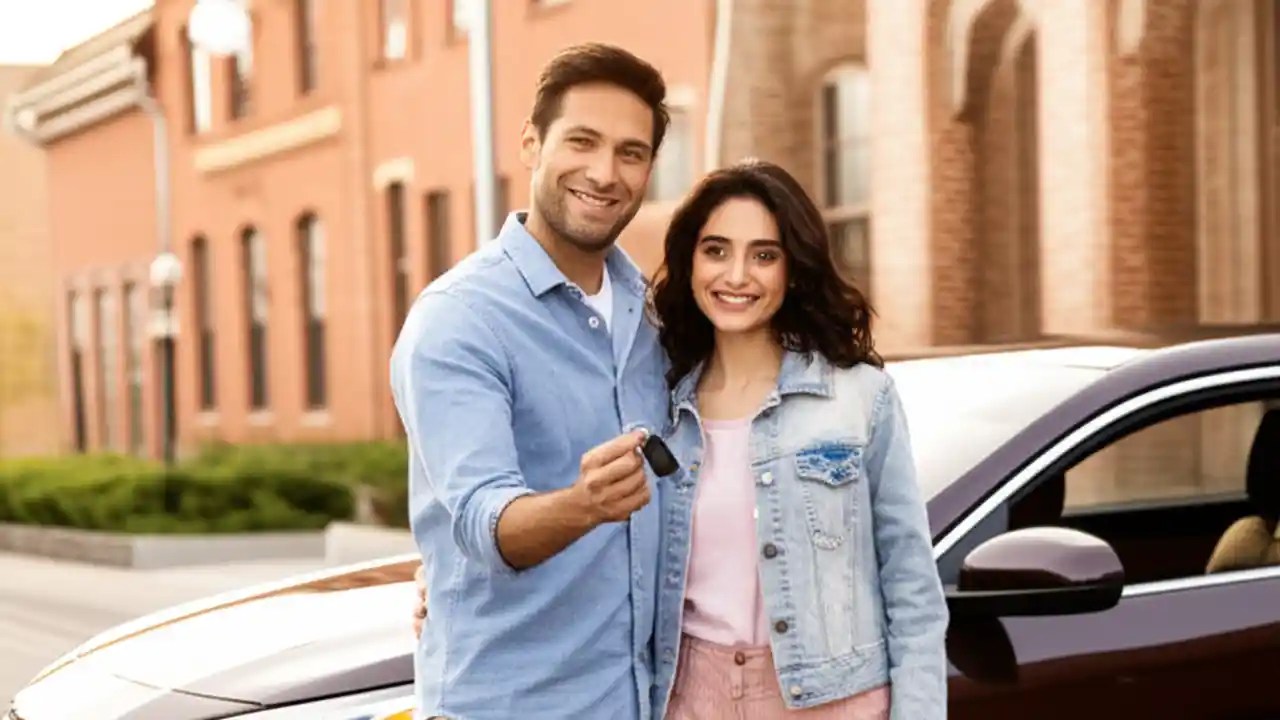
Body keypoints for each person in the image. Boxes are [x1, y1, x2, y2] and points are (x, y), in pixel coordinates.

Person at [389, 42, 674, 720]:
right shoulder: (460, 319)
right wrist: (585, 503)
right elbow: (485, 522)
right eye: (583, 141)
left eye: (631, 153)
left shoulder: (654, 317)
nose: (605, 173)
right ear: (530, 145)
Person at [646, 160, 948, 719]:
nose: (736, 275)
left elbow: (912, 591)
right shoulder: (657, 408)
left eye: (764, 255)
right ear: (689, 261)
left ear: (793, 270)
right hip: (690, 696)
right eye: (716, 250)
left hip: (833, 698)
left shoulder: (859, 397)